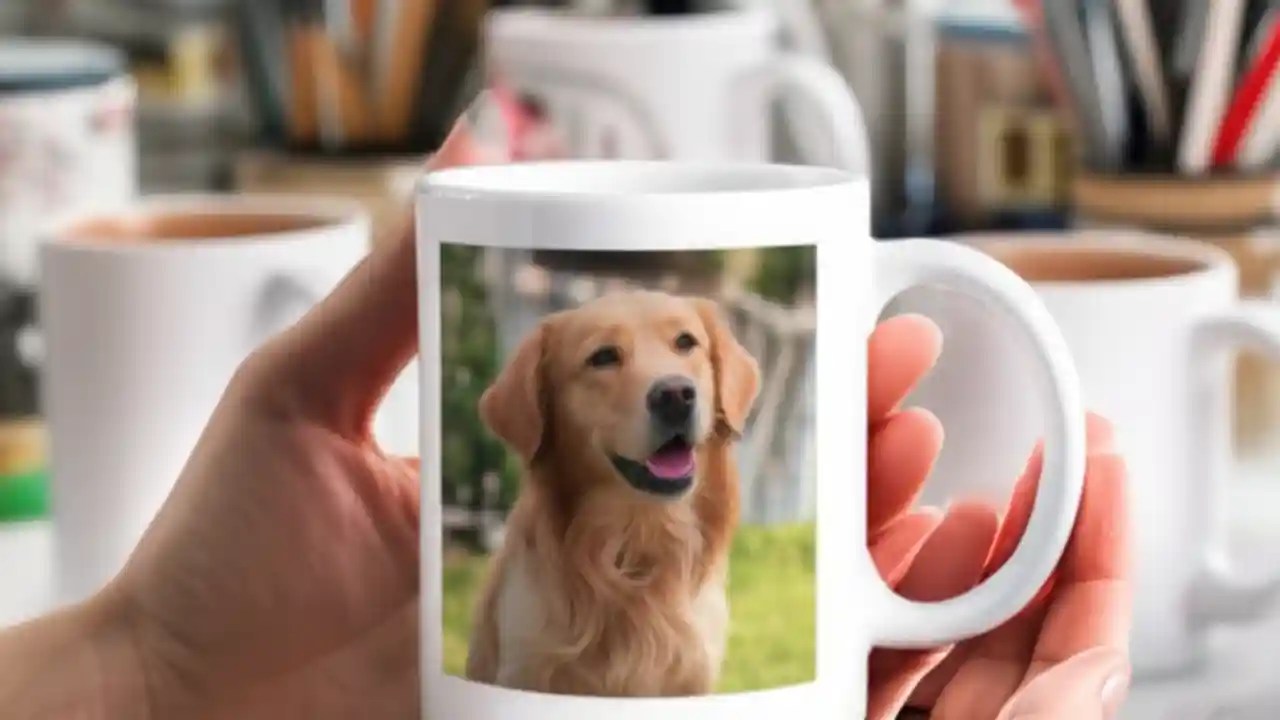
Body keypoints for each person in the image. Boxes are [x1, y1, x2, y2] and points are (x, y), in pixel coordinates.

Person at [0, 108, 1131, 719]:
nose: (667, 380)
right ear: (538, 410)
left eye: (684, 352)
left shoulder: (718, 565)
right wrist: (154, 677)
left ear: (725, 381)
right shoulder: (520, 614)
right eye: (606, 362)